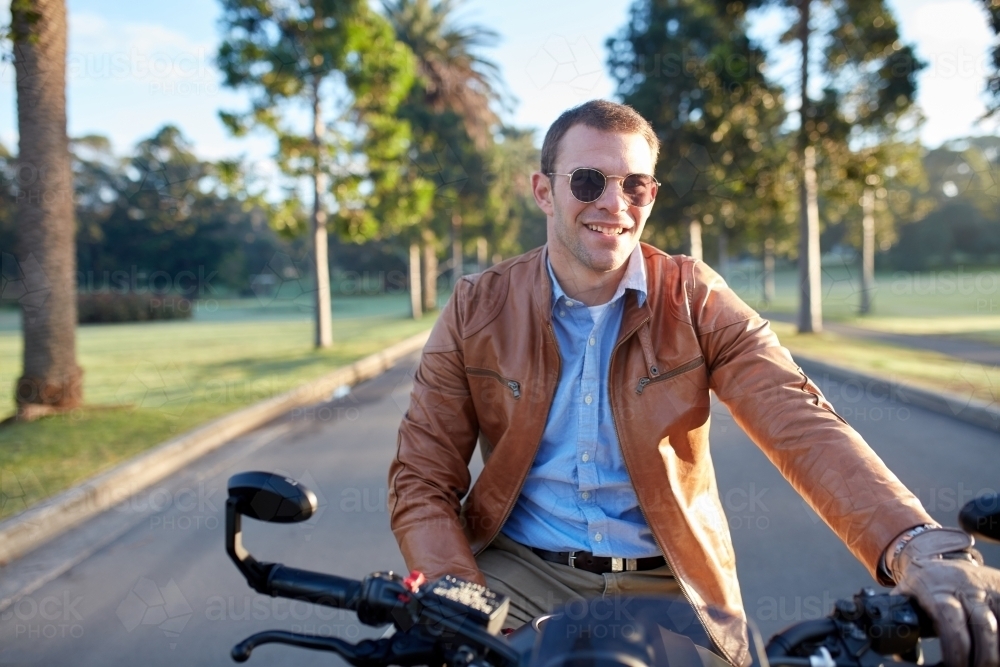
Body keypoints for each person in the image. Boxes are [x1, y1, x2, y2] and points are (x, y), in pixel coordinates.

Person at [388, 100, 1000, 667]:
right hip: (518, 573)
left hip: (671, 576)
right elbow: (421, 477)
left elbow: (800, 419)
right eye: (587, 181)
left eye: (636, 184)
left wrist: (915, 544)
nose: (614, 203)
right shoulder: (477, 307)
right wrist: (453, 590)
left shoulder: (695, 296)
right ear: (543, 191)